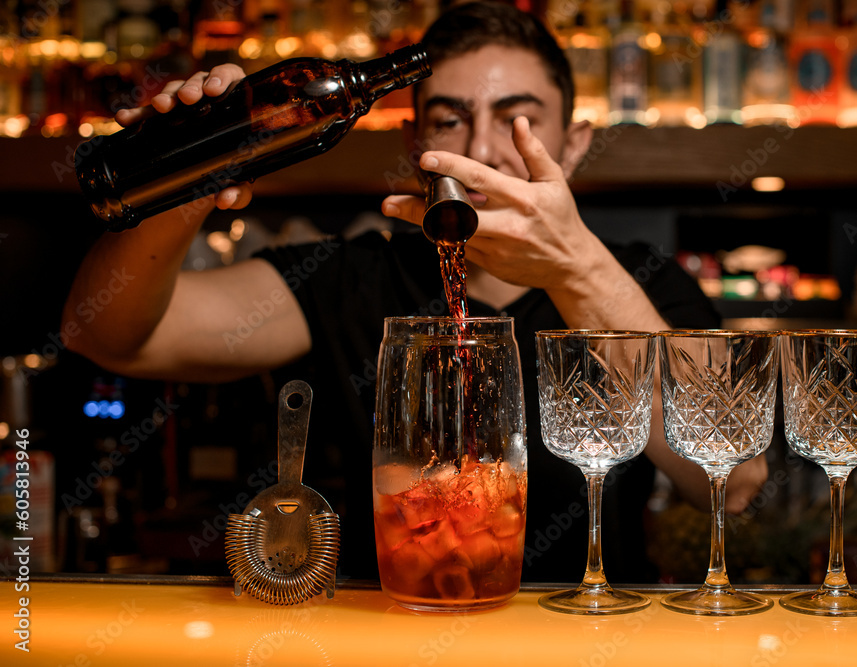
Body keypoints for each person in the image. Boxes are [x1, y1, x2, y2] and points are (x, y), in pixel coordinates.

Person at [61, 1, 766, 583]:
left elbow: (734, 480)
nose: (481, 150)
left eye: (517, 119)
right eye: (450, 120)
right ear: (414, 141)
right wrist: (189, 176)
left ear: (575, 143)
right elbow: (108, 335)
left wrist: (577, 268)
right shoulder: (350, 275)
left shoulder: (639, 281)